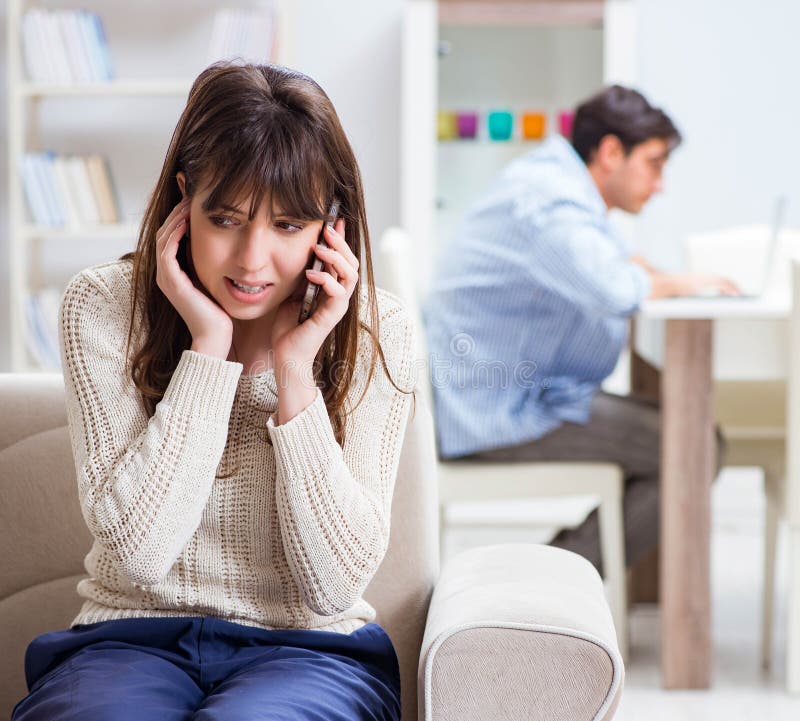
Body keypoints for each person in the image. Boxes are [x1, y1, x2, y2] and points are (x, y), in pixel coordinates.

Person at [12, 61, 414, 721]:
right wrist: (209, 348)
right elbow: (140, 556)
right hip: (127, 640)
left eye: (287, 226)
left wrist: (295, 369)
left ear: (330, 226)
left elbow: (333, 585)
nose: (252, 260)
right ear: (182, 201)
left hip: (308, 650)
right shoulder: (103, 306)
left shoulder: (378, 330)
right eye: (225, 219)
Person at [423, 85, 735, 572]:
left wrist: (651, 275)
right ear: (611, 152)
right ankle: (544, 584)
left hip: (494, 394)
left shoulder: (553, 184)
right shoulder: (550, 204)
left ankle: (554, 575)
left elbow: (606, 261)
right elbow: (614, 287)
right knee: (694, 445)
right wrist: (685, 282)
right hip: (495, 408)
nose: (661, 184)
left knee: (679, 432)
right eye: (654, 164)